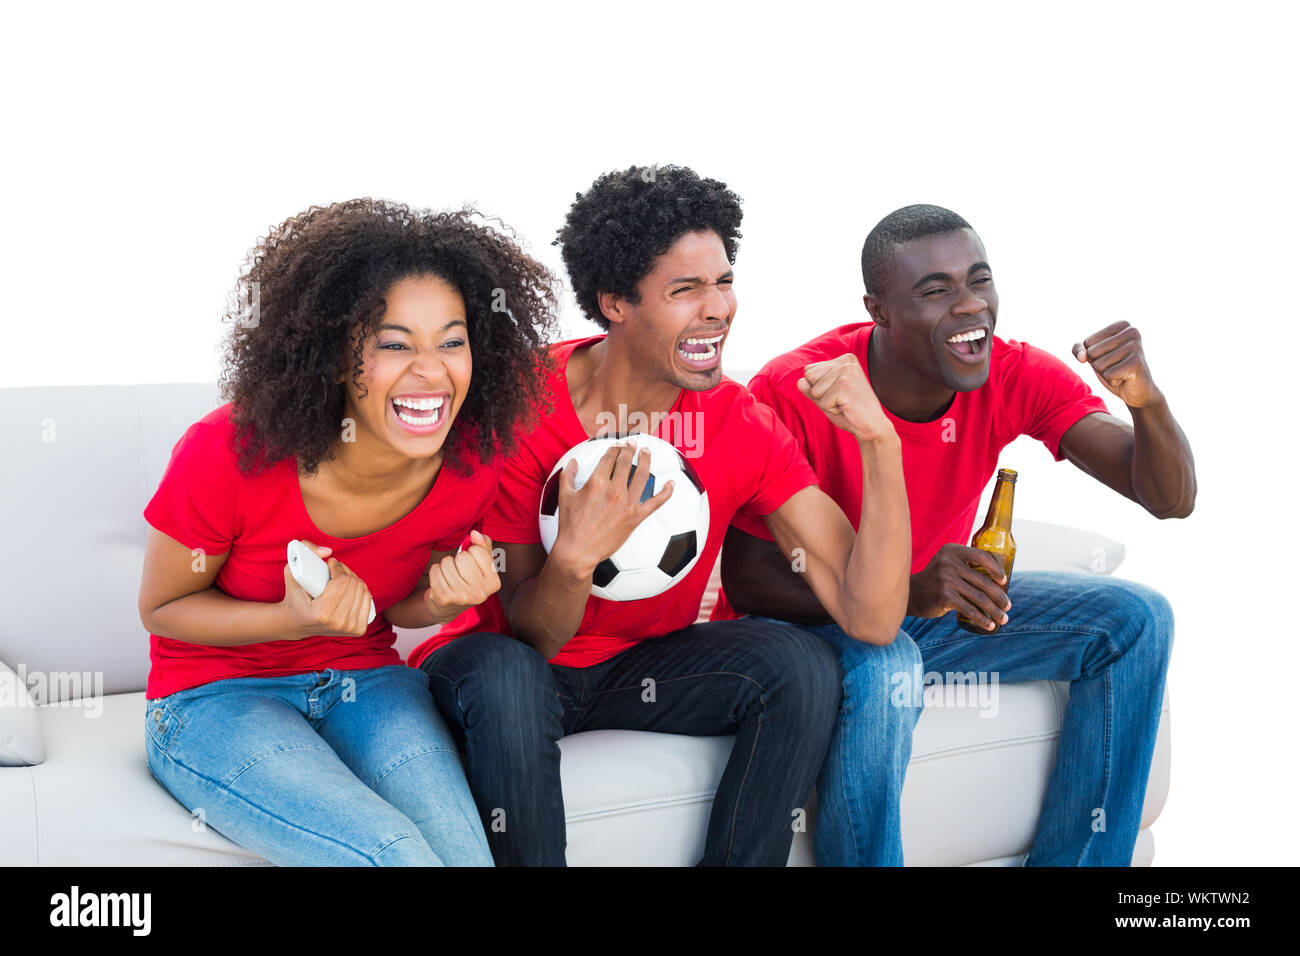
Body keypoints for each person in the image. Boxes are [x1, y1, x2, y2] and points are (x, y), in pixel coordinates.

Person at [408, 165, 912, 866]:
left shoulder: (739, 423)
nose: (718, 308)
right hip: (513, 668)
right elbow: (533, 635)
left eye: (724, 281)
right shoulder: (522, 405)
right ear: (615, 302)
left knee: (801, 665)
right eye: (685, 290)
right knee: (506, 677)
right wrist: (578, 558)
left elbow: (872, 618)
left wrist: (878, 441)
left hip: (642, 667)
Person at [715, 204, 1195, 866]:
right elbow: (746, 579)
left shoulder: (1013, 371)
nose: (971, 307)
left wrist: (1147, 402)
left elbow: (1169, 499)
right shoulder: (800, 386)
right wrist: (902, 594)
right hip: (811, 630)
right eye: (936, 291)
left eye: (980, 280)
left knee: (1136, 619)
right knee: (888, 664)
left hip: (921, 614)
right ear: (877, 311)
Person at [137, 198, 559, 865]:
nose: (431, 369)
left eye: (452, 340)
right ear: (335, 358)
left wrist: (443, 602)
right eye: (395, 344)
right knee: (394, 856)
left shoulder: (472, 458)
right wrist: (291, 618)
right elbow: (161, 610)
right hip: (214, 698)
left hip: (366, 681)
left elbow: (393, 608)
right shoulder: (227, 452)